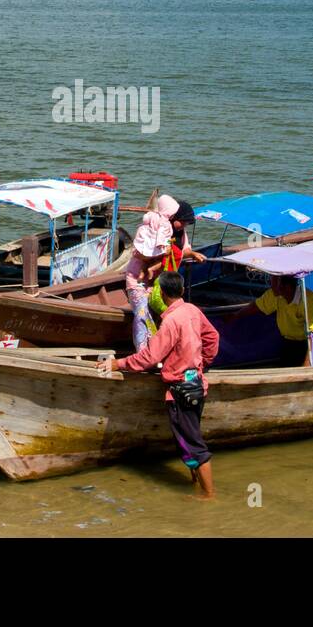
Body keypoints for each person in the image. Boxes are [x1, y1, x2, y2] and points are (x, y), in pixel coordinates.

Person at [97, 271, 219, 498]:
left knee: (193, 445)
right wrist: (204, 363)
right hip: (197, 385)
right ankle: (196, 485)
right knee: (188, 440)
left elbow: (149, 358)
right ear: (181, 291)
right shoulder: (192, 310)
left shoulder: (171, 321)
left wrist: (118, 364)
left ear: (162, 294)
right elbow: (213, 337)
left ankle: (209, 497)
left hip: (181, 389)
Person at [123, 195, 206, 351]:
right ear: (173, 216)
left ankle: (161, 347)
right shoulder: (154, 228)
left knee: (165, 314)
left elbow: (183, 251)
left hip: (160, 282)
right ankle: (143, 352)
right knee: (142, 314)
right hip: (138, 280)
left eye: (187, 223)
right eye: (183, 221)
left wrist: (193, 254)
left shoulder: (180, 233)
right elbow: (139, 252)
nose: (184, 225)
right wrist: (161, 252)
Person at [227, 274, 313, 365]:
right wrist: (236, 315)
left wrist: (307, 366)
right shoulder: (275, 295)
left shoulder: (308, 300)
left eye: (275, 280)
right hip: (290, 340)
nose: (271, 283)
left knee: (303, 369)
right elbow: (257, 306)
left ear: (286, 287)